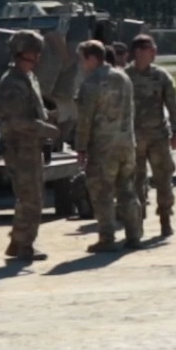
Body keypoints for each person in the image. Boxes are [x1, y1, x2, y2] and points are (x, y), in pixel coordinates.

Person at [0, 31, 62, 262]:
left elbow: (32, 110)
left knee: (30, 195)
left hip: (31, 146)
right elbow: (18, 121)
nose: (36, 60)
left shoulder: (28, 78)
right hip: (20, 147)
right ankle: (25, 245)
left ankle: (17, 240)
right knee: (30, 198)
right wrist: (47, 129)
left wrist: (49, 117)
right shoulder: (11, 84)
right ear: (19, 54)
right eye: (32, 55)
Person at [75, 39, 142, 252]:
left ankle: (107, 238)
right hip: (126, 144)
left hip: (103, 148)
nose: (82, 64)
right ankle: (134, 235)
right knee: (127, 191)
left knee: (102, 192)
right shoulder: (123, 77)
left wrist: (81, 147)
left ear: (92, 58)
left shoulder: (91, 83)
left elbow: (85, 119)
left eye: (83, 59)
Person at [126, 34, 176, 238]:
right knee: (135, 182)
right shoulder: (124, 77)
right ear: (138, 52)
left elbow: (172, 105)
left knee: (164, 179)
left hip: (158, 136)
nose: (153, 53)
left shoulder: (161, 76)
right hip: (133, 140)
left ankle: (165, 218)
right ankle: (137, 222)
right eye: (149, 50)